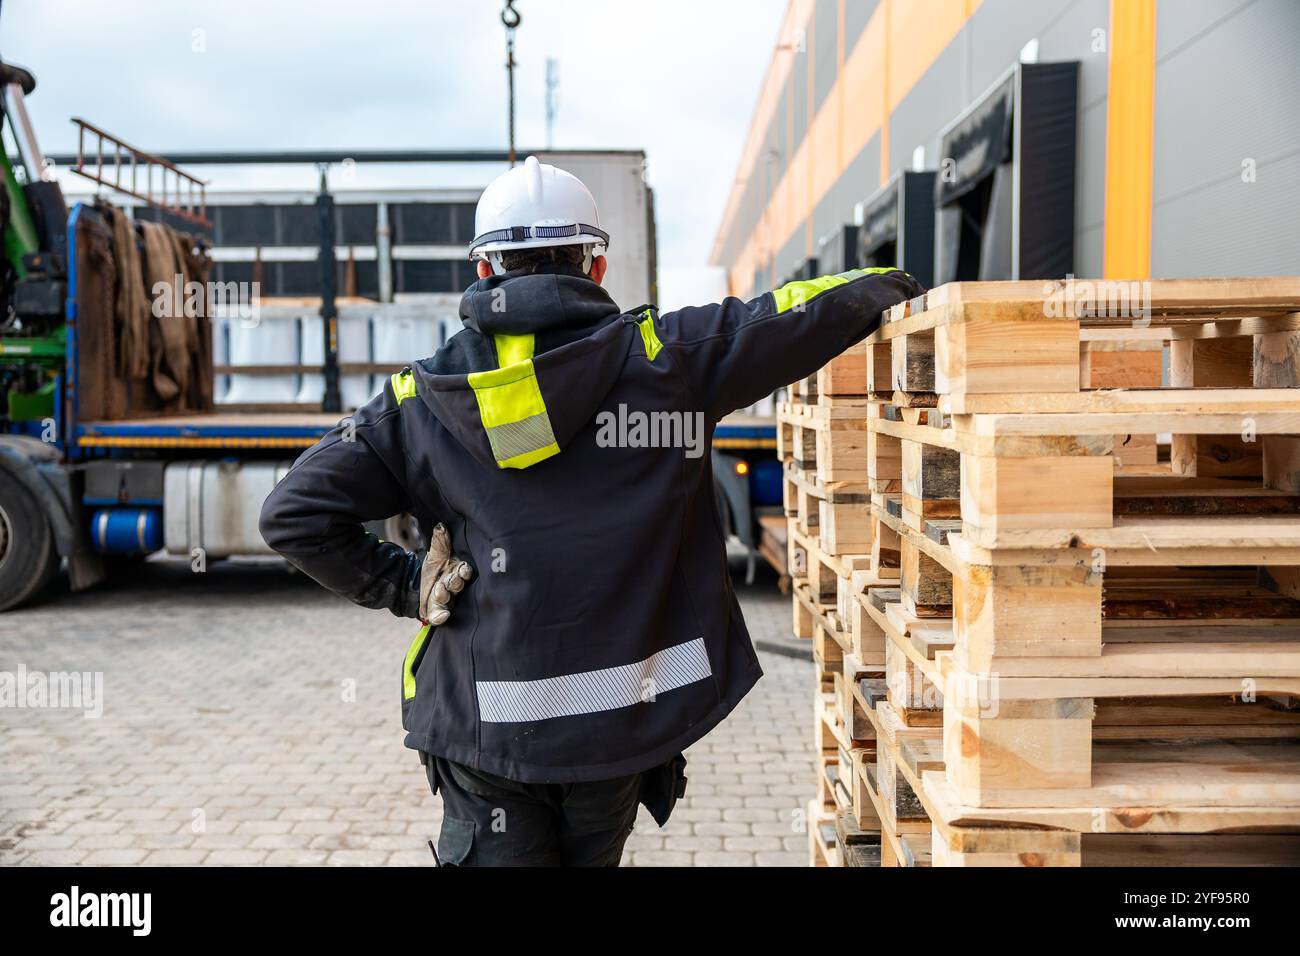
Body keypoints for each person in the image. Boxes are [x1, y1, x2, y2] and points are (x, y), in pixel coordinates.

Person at [259, 156, 924, 866]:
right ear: (596, 269)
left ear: (484, 273)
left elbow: (293, 515)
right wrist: (896, 285)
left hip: (487, 735)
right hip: (617, 736)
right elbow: (800, 310)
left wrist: (402, 585)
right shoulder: (673, 364)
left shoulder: (420, 402)